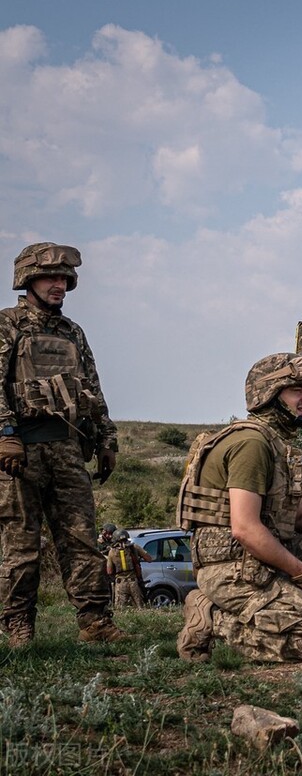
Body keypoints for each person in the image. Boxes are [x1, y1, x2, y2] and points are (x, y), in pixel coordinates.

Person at [174, 353, 302, 663]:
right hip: (233, 569)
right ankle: (213, 616)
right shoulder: (251, 444)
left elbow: (299, 517)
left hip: (260, 557)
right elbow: (245, 528)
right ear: (269, 395)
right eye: (298, 391)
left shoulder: (278, 445)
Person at [0, 242, 125, 647]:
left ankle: (95, 621)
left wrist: (107, 438)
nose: (60, 285)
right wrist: (6, 436)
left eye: (65, 279)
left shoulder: (73, 332)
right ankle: (19, 626)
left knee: (82, 542)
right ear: (28, 279)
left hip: (68, 452)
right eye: (52, 277)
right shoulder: (9, 325)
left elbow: (92, 388)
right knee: (22, 546)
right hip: (20, 455)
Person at [105, 529, 152, 609]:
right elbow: (149, 559)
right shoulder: (134, 547)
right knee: (140, 608)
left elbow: (109, 571)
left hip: (120, 583)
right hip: (134, 582)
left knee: (120, 610)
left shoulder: (111, 552)